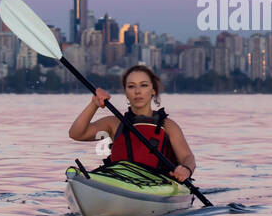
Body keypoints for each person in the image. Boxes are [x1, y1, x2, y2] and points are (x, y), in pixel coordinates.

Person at [67, 65, 197, 184]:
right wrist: (94, 104)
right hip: (120, 183)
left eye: (143, 85)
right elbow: (76, 133)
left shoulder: (168, 126)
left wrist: (186, 169)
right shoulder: (114, 123)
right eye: (131, 86)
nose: (137, 91)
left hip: (158, 184)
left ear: (153, 90)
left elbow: (187, 157)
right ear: (126, 92)